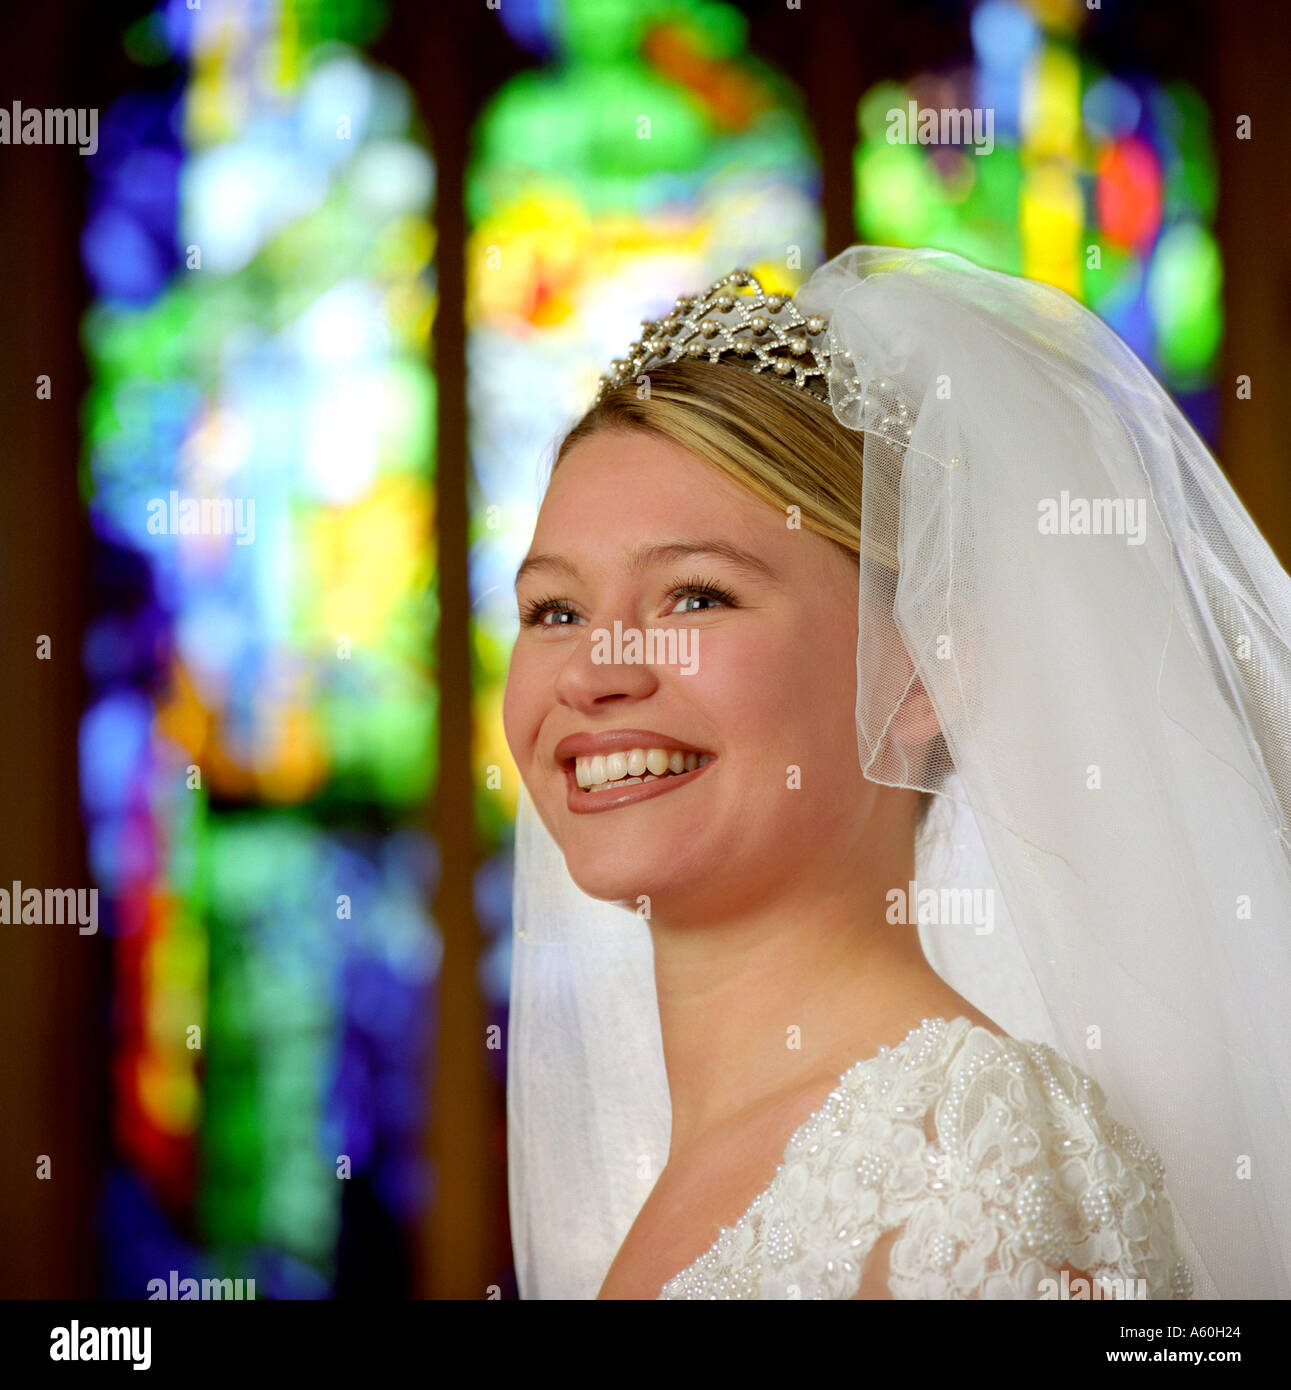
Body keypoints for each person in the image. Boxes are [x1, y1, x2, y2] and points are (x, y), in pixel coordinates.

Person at [502, 246, 1291, 1300]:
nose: (594, 672)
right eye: (555, 610)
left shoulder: (971, 1167)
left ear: (922, 668)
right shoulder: (678, 1165)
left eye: (695, 597)